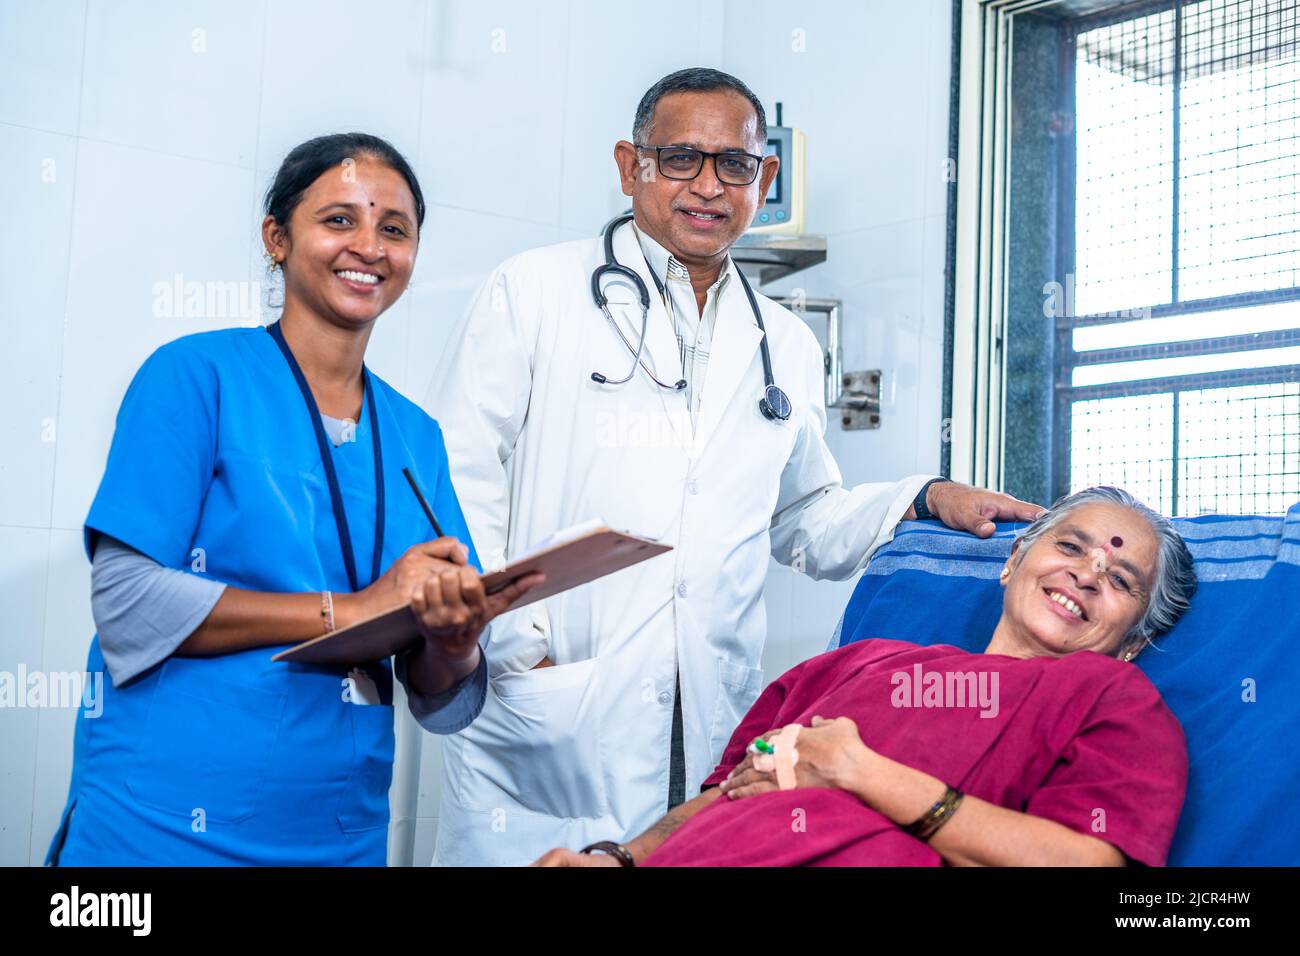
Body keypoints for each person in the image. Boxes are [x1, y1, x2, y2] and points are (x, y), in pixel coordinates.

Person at [426, 67, 1043, 865]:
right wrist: (518, 647)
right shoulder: (535, 290)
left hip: (709, 709)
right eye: (680, 158)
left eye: (736, 165)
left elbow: (805, 521)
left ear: (765, 178)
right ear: (630, 166)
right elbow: (455, 477)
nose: (708, 186)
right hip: (554, 700)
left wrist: (924, 497)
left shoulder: (783, 342)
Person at [46, 133, 540, 866]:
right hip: (160, 830)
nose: (370, 246)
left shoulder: (416, 436)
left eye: (394, 229)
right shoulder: (194, 377)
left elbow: (439, 701)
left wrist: (456, 643)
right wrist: (360, 607)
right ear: (277, 237)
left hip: (337, 835)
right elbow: (127, 604)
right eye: (339, 219)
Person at [533, 486, 1198, 867]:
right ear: (1014, 560)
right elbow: (730, 797)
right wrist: (615, 859)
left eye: (1120, 580)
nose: (1086, 573)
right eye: (1070, 547)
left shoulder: (1116, 703)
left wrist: (865, 774)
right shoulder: (859, 661)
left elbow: (1090, 864)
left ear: (1136, 639)